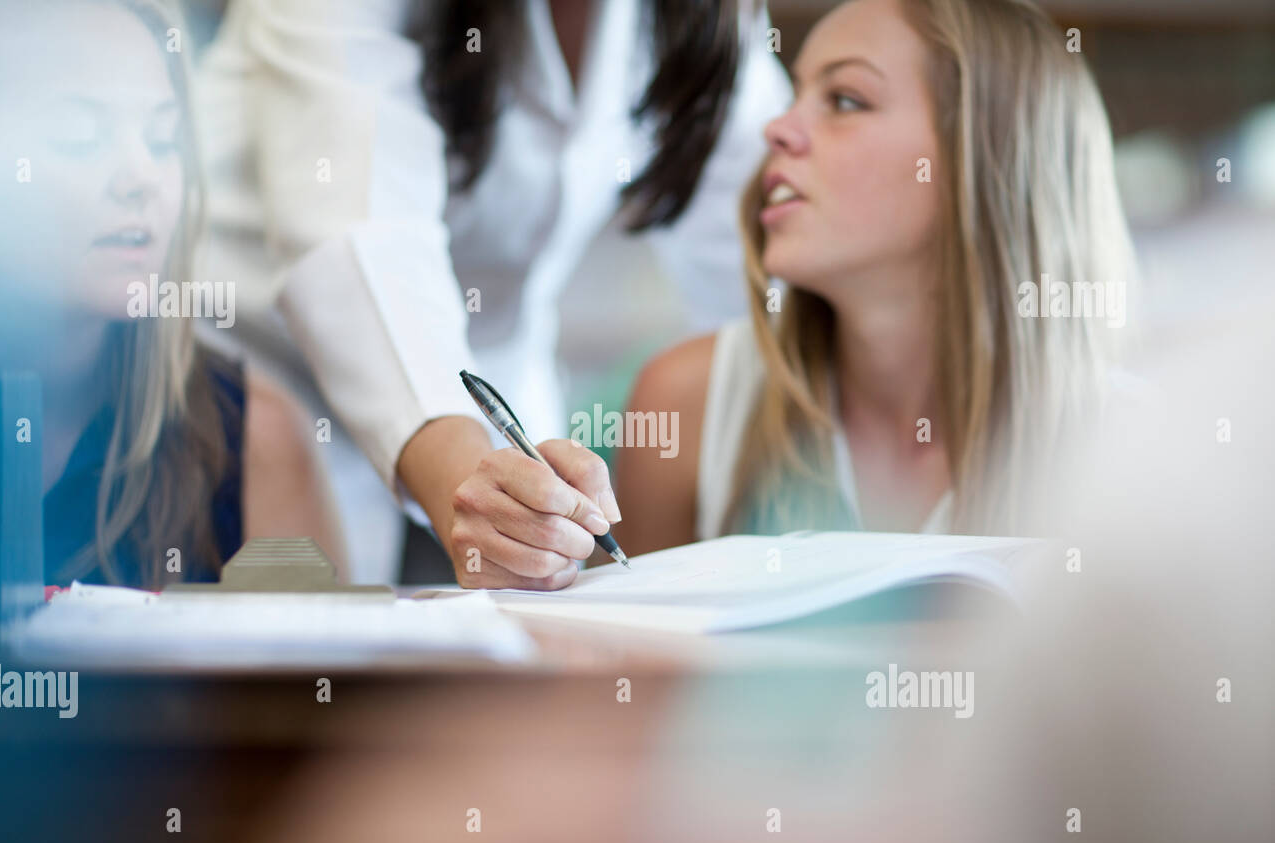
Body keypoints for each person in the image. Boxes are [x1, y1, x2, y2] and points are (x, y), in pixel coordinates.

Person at [194, 0, 791, 588]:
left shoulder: (708, 21)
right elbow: (359, 236)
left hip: (495, 393)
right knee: (303, 665)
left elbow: (759, 254)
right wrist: (467, 479)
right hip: (249, 374)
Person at [613, 0, 1140, 554]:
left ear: (984, 155)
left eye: (844, 100)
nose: (778, 128)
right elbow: (629, 637)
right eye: (796, 95)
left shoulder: (1138, 452)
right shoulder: (686, 404)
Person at [0, 0, 345, 588]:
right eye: (78, 137)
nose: (141, 176)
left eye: (163, 140)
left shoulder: (253, 442)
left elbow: (315, 683)